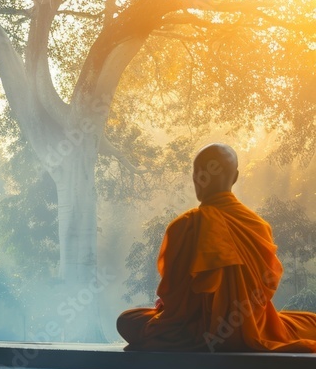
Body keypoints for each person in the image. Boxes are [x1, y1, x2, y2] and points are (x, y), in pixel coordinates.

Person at [117, 143, 316, 352]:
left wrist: (168, 308)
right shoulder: (259, 226)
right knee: (310, 322)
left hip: (195, 330)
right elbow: (263, 294)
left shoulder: (183, 226)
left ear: (197, 178)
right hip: (249, 326)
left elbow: (173, 296)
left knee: (127, 320)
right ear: (236, 177)